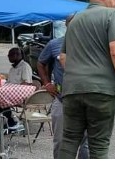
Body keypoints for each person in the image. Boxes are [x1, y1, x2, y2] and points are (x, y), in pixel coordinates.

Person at [55, 0, 115, 159]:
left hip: (72, 90)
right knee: (98, 145)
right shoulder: (112, 14)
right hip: (101, 90)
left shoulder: (75, 19)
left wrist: (79, 76)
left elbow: (63, 57)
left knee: (69, 140)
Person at [38, 13, 90, 159]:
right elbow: (41, 63)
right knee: (61, 142)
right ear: (67, 26)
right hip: (62, 101)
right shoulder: (54, 45)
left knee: (85, 143)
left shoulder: (92, 46)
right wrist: (47, 83)